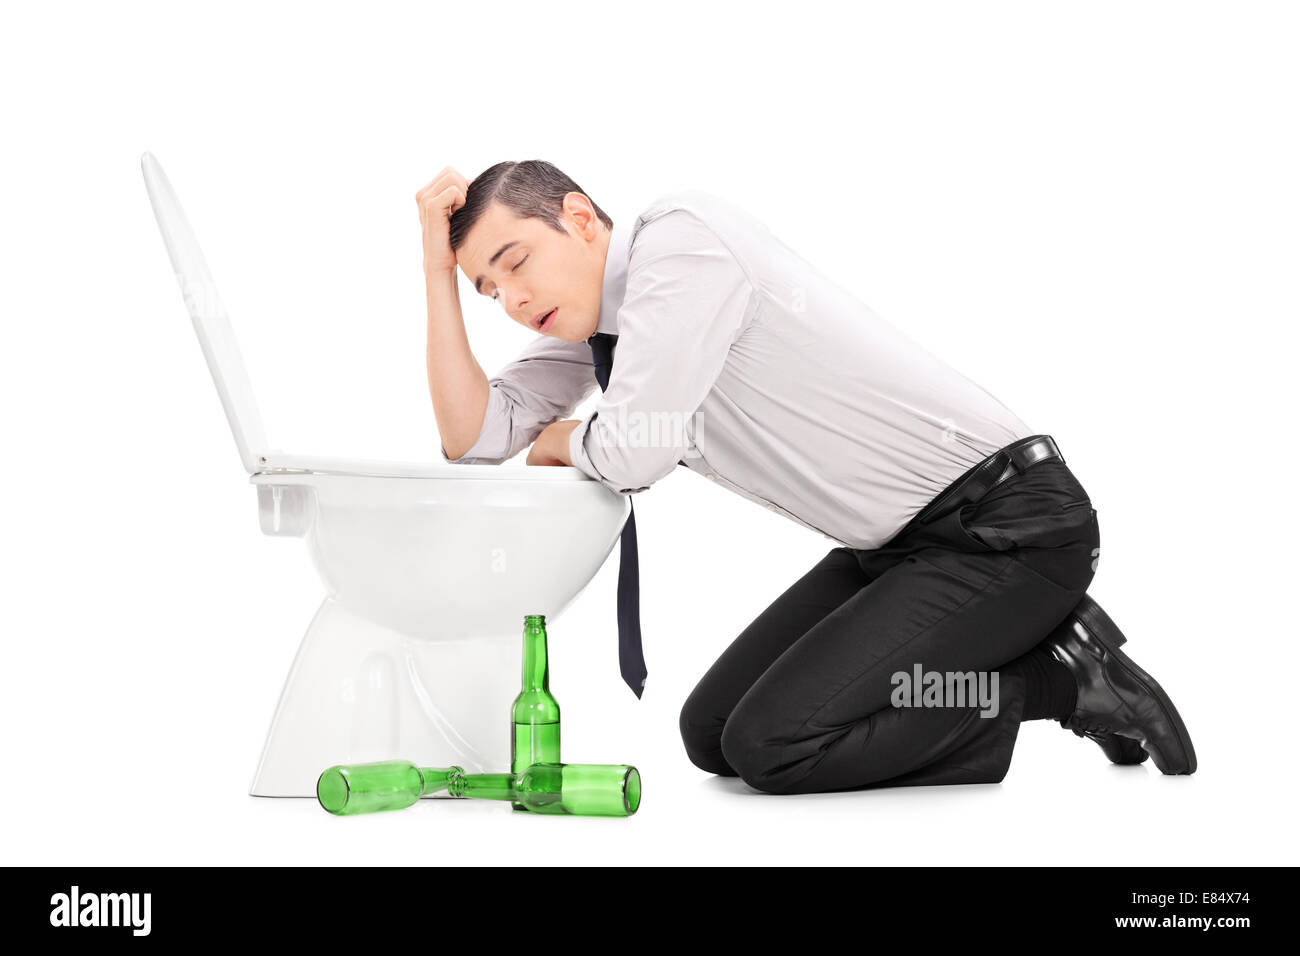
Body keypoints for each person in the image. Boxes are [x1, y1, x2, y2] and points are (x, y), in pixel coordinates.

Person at [419, 160, 1197, 794]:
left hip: (1006, 527)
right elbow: (472, 435)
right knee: (713, 736)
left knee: (776, 745)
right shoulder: (598, 323)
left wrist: (562, 440)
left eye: (515, 262)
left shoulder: (679, 248)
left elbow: (633, 454)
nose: (513, 301)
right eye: (488, 291)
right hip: (902, 547)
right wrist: (434, 264)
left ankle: (1059, 682)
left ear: (581, 219)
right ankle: (1030, 648)